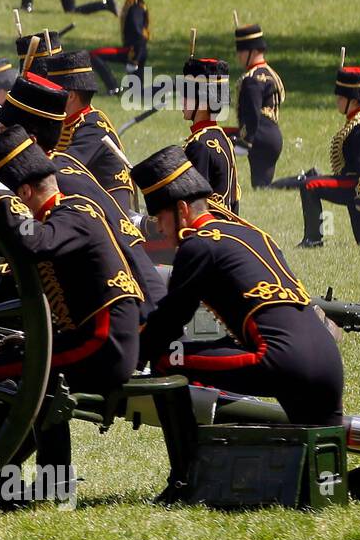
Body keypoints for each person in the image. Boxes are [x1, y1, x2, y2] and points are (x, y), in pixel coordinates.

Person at [132, 146, 345, 501]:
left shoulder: (197, 245)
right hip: (326, 360)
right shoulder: (252, 235)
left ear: (182, 210)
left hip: (281, 361)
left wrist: (129, 356)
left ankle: (182, 481)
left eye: (161, 221)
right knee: (324, 482)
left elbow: (168, 324)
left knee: (168, 359)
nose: (162, 232)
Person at [0, 125, 144, 496]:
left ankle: (2, 485)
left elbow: (35, 244)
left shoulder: (74, 211)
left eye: (16, 196)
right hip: (95, 339)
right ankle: (53, 482)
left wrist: (2, 199)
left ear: (25, 192)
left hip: (103, 343)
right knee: (20, 362)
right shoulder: (61, 216)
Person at [0, 72, 166, 308]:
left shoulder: (53, 183)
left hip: (136, 313)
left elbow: (36, 246)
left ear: (31, 142)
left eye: (3, 133)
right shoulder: (61, 166)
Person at [31, 49, 133, 211]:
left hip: (110, 213)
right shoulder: (68, 122)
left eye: (53, 92)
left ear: (70, 96)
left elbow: (63, 168)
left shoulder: (94, 125)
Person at [299, 62, 360, 247]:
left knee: (310, 185)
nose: (337, 101)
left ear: (354, 99)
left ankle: (313, 239)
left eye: (341, 97)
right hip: (354, 182)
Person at [179, 56, 240, 214]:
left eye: (187, 95)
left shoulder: (199, 145)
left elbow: (192, 209)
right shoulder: (222, 138)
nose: (182, 100)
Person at [231, 22, 286, 187]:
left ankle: (297, 183)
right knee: (262, 186)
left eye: (242, 51)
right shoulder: (272, 74)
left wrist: (245, 142)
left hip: (258, 137)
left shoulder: (251, 79)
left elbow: (253, 113)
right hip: (273, 137)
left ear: (253, 51)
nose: (239, 55)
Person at [90, 0, 149, 95]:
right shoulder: (133, 1)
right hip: (136, 51)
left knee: (94, 54)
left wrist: (134, 59)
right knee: (137, 95)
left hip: (133, 51)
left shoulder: (135, 5)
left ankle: (113, 88)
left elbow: (139, 35)